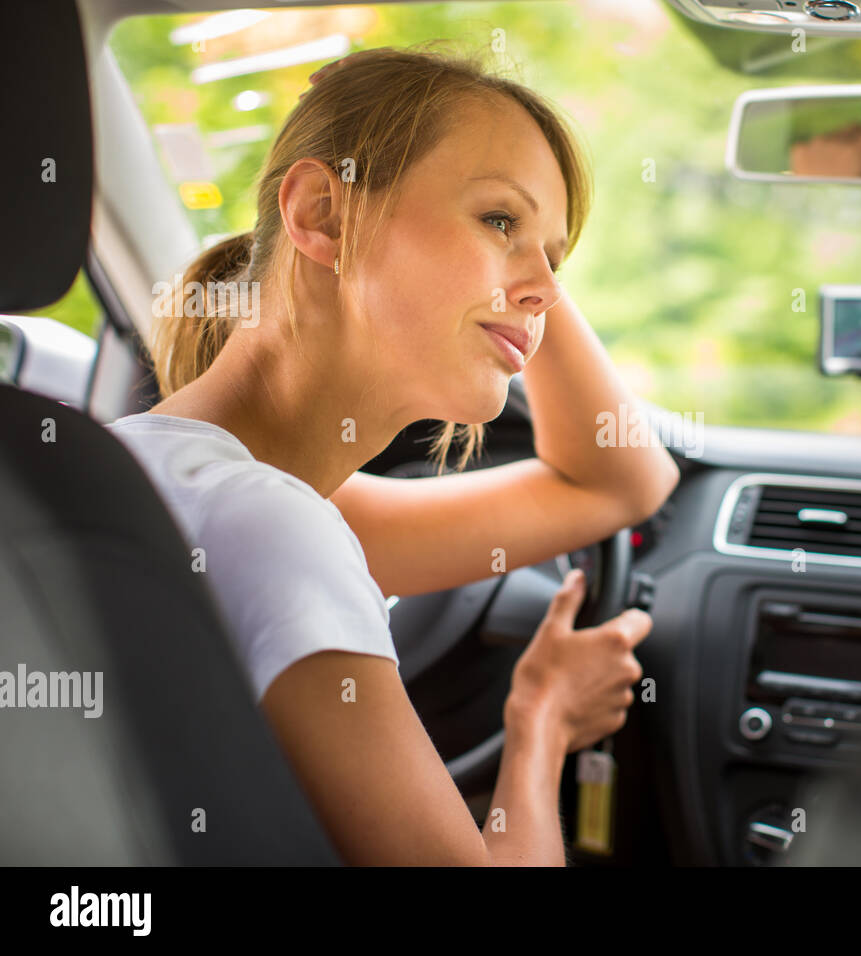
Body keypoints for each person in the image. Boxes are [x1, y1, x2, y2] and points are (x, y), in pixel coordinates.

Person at [104, 45, 680, 866]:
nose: (548, 289)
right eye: (499, 220)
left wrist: (517, 269)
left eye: (556, 258)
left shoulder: (173, 480)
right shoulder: (270, 524)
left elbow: (621, 477)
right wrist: (541, 720)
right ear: (322, 216)